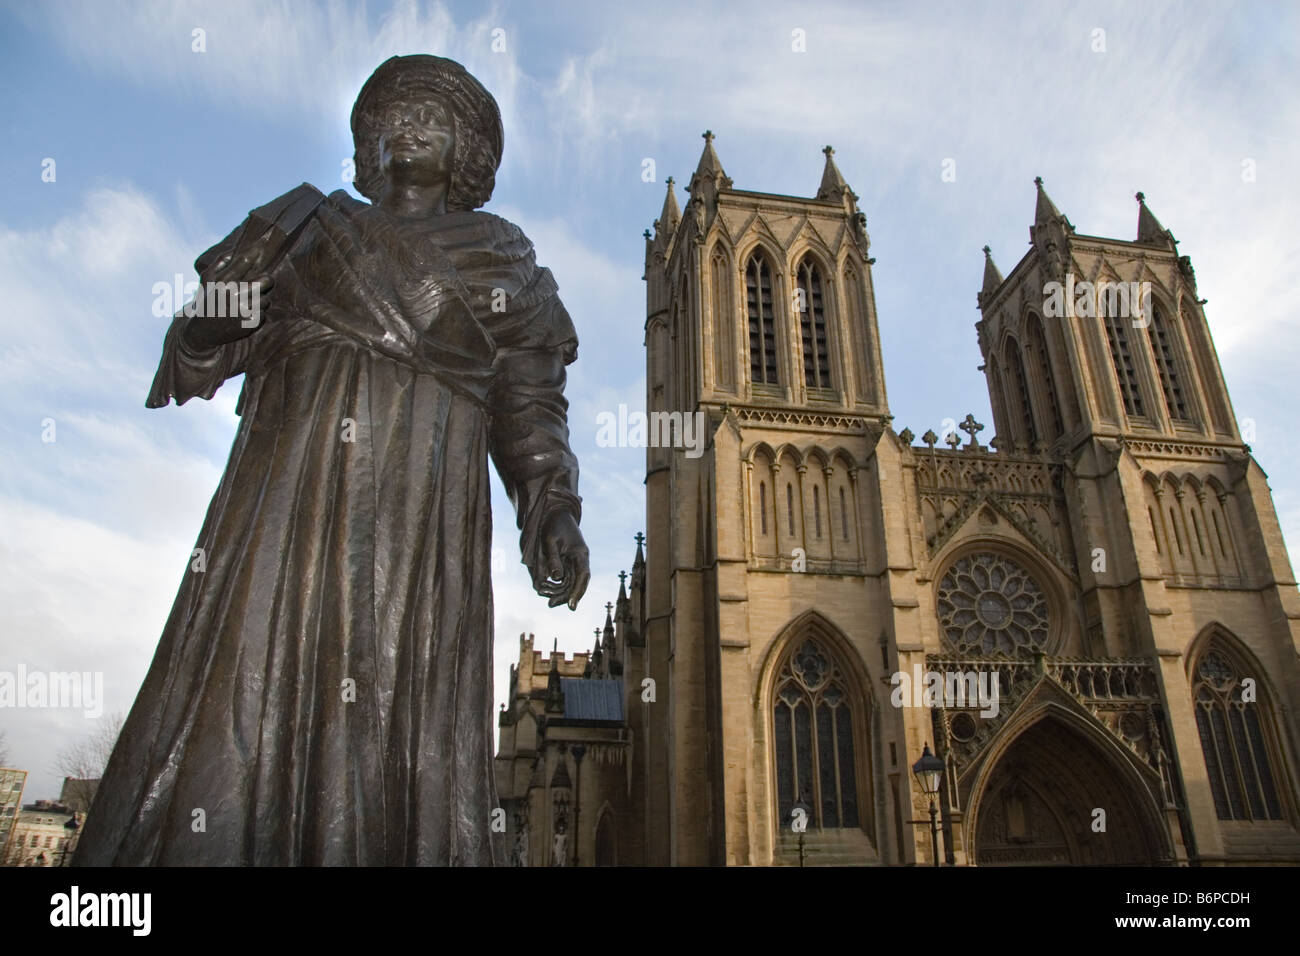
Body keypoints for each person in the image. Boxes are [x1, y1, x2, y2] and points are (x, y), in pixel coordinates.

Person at [74, 54, 589, 866]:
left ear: (469, 154)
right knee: (245, 688)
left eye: (435, 115)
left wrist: (550, 504)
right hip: (288, 506)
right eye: (394, 112)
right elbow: (196, 351)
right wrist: (211, 321)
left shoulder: (504, 261)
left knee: (401, 700)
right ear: (367, 140)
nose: (411, 124)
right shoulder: (307, 229)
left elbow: (528, 401)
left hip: (421, 517)